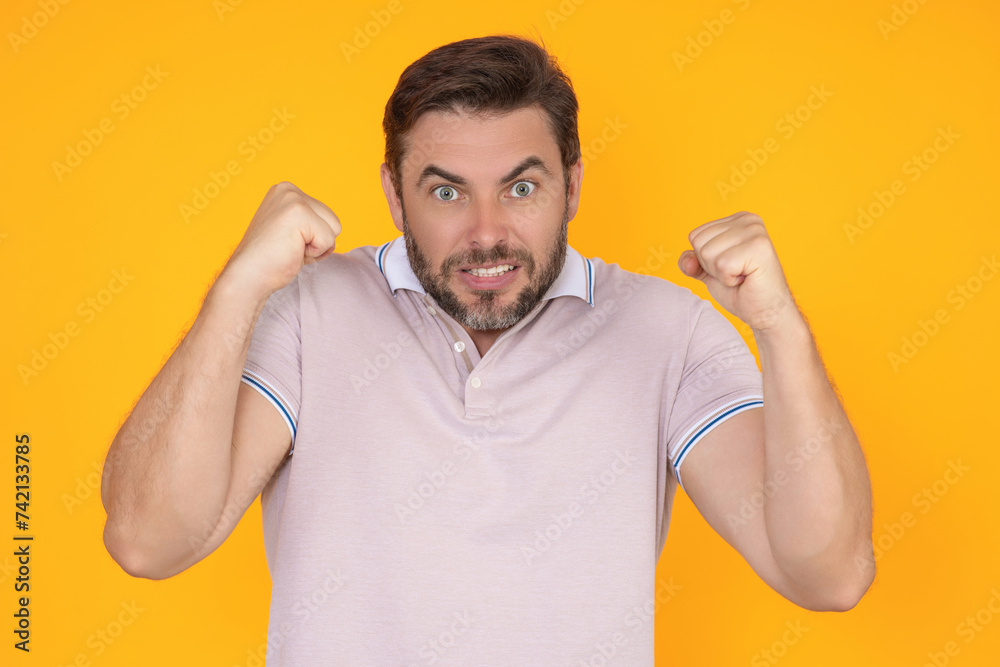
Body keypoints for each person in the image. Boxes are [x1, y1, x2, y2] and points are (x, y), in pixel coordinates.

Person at [101, 34, 875, 665]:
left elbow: (829, 574)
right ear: (393, 193)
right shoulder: (309, 310)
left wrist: (781, 330)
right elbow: (147, 540)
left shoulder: (667, 331)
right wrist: (237, 289)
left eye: (520, 187)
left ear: (571, 186)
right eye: (445, 192)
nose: (485, 231)